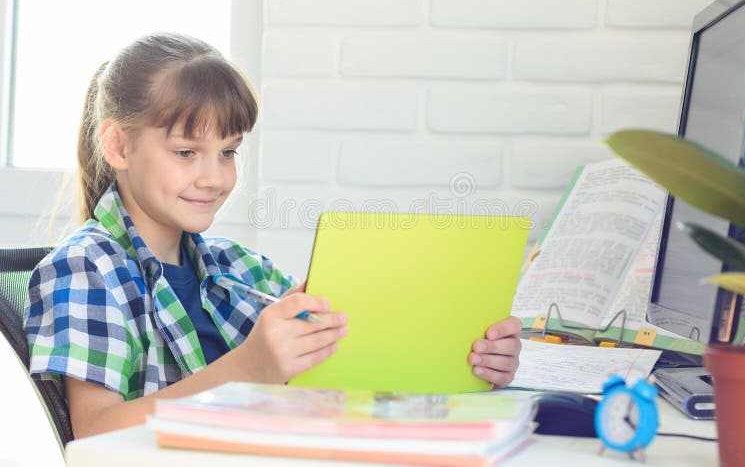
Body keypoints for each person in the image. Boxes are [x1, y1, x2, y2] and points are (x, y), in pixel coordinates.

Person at [24, 33, 522, 439]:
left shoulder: (243, 271)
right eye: (185, 152)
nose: (215, 178)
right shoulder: (86, 269)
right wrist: (250, 366)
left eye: (228, 152)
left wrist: (468, 359)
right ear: (117, 145)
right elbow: (95, 432)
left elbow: (348, 371)